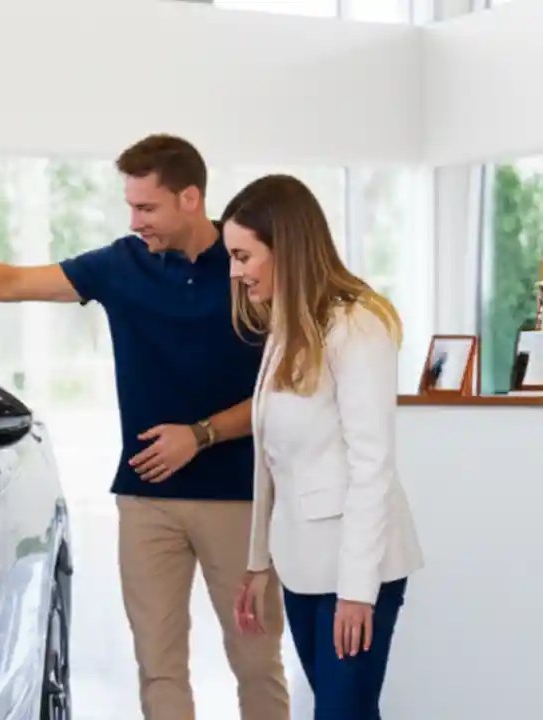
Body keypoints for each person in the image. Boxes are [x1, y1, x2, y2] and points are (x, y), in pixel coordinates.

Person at [0, 134, 289, 720]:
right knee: (159, 667)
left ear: (191, 198)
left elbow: (279, 389)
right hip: (147, 499)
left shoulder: (248, 266)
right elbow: (13, 282)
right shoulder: (122, 265)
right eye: (131, 206)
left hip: (238, 498)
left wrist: (200, 434)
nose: (135, 220)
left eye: (147, 207)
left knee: (256, 662)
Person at [225, 174, 424, 719]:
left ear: (284, 247)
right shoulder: (287, 327)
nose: (235, 273)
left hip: (358, 568)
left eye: (244, 256)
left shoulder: (357, 325)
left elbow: (371, 466)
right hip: (303, 565)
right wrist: (257, 561)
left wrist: (357, 592)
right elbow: (270, 457)